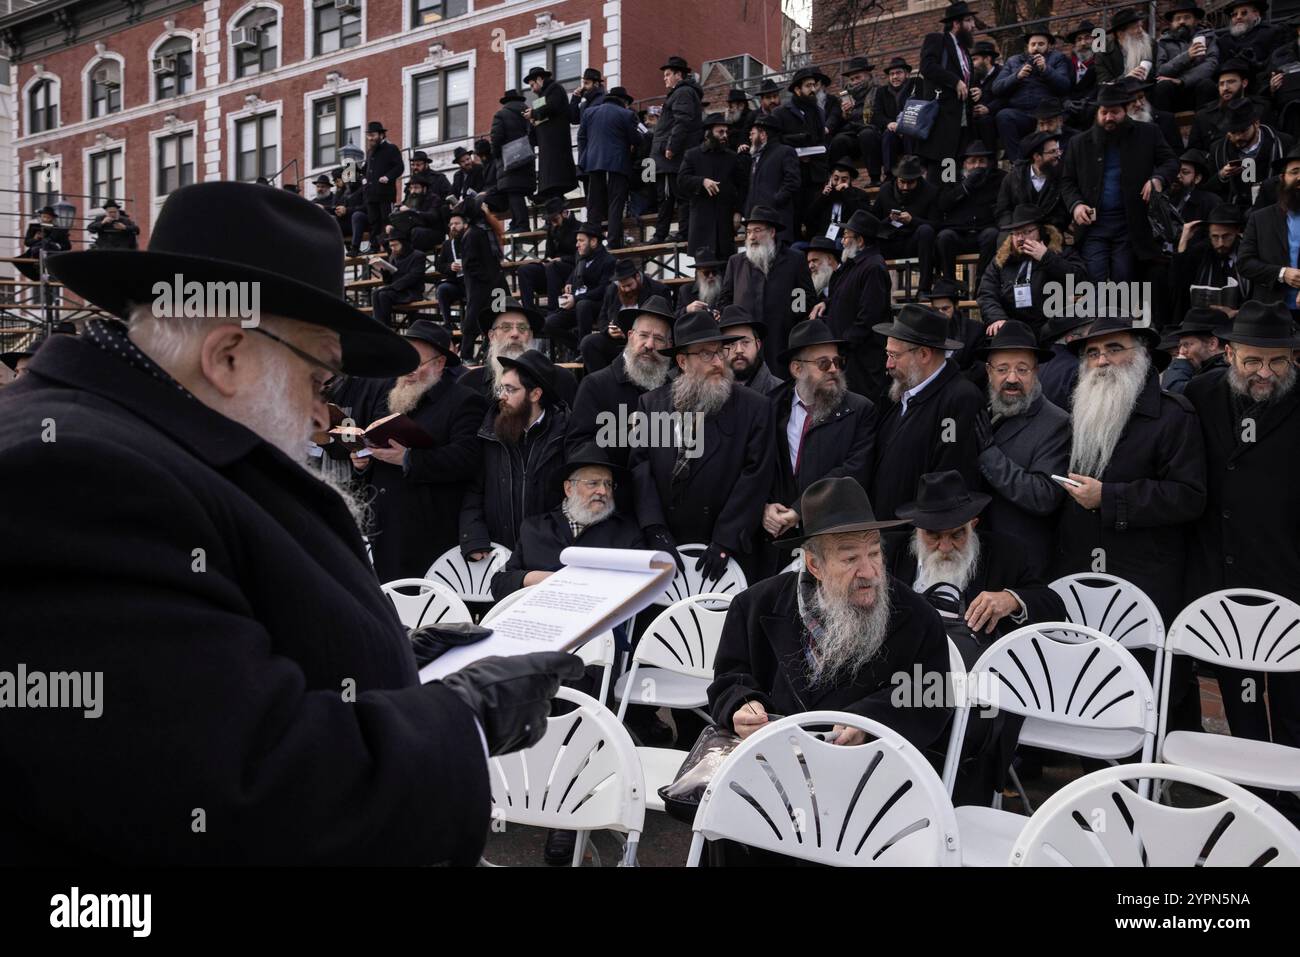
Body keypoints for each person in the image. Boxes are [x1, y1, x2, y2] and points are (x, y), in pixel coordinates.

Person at [0, 181, 579, 865]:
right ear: (229, 356)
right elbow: (234, 785)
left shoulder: (151, 441)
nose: (323, 415)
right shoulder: (75, 474)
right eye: (319, 379)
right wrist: (466, 719)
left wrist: (389, 653)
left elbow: (219, 640)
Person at [708, 476, 949, 754]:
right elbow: (730, 680)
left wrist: (869, 721)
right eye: (850, 559)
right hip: (772, 763)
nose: (869, 572)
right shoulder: (753, 606)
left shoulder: (919, 618)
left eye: (874, 553)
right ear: (814, 565)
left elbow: (934, 695)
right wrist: (743, 704)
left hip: (869, 771)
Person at [1053, 315, 1207, 724]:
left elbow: (1188, 497)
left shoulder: (1175, 415)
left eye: (1114, 349)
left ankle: (1154, 781)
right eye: (1092, 353)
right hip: (1084, 574)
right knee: (1094, 691)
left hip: (1148, 579)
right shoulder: (1079, 409)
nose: (1102, 360)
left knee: (1150, 698)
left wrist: (1110, 497)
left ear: (1140, 355)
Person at [1184, 300, 1300, 747]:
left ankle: (1289, 806)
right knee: (1241, 704)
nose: (1265, 372)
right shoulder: (1201, 393)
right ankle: (1251, 794)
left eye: (1277, 360)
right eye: (1252, 360)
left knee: (1293, 702)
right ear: (1229, 354)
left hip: (1287, 575)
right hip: (1223, 577)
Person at [631, 311, 775, 582]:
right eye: (707, 354)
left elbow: (755, 477)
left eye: (721, 352)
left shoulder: (755, 407)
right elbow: (642, 469)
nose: (719, 362)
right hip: (667, 547)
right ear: (683, 361)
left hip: (726, 552)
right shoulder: (651, 405)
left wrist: (725, 541)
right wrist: (655, 529)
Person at [348, 320, 486, 582]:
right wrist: (362, 462)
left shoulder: (464, 401)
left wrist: (408, 458)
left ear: (439, 364)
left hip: (430, 530)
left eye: (416, 363)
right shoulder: (392, 398)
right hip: (385, 527)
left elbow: (467, 458)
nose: (408, 371)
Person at [890, 470, 1066, 641]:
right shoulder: (889, 553)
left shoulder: (1006, 553)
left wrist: (1012, 600)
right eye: (933, 536)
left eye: (956, 535)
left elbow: (1054, 607)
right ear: (917, 529)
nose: (945, 547)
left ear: (972, 525)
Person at [762, 321, 876, 566]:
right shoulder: (769, 406)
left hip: (832, 537)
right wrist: (765, 507)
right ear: (796, 369)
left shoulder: (860, 410)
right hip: (773, 540)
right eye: (823, 363)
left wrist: (799, 510)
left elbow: (854, 470)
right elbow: (756, 465)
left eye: (838, 362)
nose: (833, 369)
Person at [869, 304, 984, 519]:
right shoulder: (899, 392)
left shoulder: (959, 399)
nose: (888, 364)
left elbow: (950, 478)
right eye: (887, 354)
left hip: (921, 536)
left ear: (923, 354)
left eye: (895, 355)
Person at [972, 321, 1070, 570]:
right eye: (1003, 369)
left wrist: (989, 456)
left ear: (1036, 372)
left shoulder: (1057, 423)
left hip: (1023, 562)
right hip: (980, 554)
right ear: (988, 371)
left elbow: (1044, 496)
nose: (1012, 379)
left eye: (1022, 370)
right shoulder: (984, 410)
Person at [491, 444, 643, 601]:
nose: (603, 491)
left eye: (608, 484)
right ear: (569, 488)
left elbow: (642, 587)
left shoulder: (627, 532)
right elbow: (499, 585)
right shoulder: (534, 529)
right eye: (593, 483)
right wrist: (530, 578)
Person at [1061, 82, 1178, 282]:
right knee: (1095, 275)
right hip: (1094, 226)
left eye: (1114, 112)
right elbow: (1067, 182)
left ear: (1125, 111)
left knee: (1122, 275)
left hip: (1130, 223)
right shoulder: (1079, 143)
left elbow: (1171, 161)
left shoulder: (1148, 133)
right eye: (1104, 112)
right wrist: (1076, 205)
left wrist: (1158, 179)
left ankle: (1119, 313)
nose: (1108, 118)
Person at [460, 349, 570, 557]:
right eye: (502, 388)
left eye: (510, 390)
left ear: (535, 394)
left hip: (550, 553)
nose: (502, 396)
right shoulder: (490, 430)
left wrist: (548, 541)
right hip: (496, 552)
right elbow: (474, 489)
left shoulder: (565, 433)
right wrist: (473, 536)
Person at [565, 296, 675, 470]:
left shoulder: (674, 391)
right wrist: (633, 434)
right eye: (643, 335)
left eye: (659, 339)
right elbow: (577, 449)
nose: (649, 345)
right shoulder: (595, 385)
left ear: (669, 345)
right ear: (631, 337)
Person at [718, 206, 815, 376]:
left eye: (757, 230)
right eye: (748, 232)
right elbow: (725, 299)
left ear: (772, 232)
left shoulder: (794, 259)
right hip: (745, 344)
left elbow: (804, 296)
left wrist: (790, 317)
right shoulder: (736, 262)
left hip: (781, 339)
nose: (752, 237)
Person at [814, 209, 892, 399]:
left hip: (862, 361)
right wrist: (827, 303)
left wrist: (842, 346)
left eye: (847, 236)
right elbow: (845, 295)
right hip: (847, 356)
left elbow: (868, 317)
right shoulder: (854, 265)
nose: (842, 241)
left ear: (861, 241)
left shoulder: (873, 267)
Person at [978, 203, 1087, 338]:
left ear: (1042, 231)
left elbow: (1080, 281)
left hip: (1053, 329)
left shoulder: (1061, 253)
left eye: (1026, 232)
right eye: (1015, 234)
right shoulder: (1002, 260)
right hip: (1014, 329)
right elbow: (986, 293)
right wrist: (997, 318)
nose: (1020, 238)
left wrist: (1046, 257)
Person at [457, 299, 578, 407]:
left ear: (530, 336)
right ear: (492, 336)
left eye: (522, 328)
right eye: (505, 327)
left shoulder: (561, 380)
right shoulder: (469, 384)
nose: (515, 334)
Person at [916, 2, 978, 183]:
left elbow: (967, 78)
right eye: (969, 21)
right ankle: (939, 202)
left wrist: (974, 90)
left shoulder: (964, 51)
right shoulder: (937, 39)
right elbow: (927, 67)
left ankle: (950, 197)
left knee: (954, 164)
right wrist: (955, 81)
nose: (973, 26)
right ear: (956, 24)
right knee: (941, 166)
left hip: (961, 116)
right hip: (942, 115)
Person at [992, 24, 1073, 163]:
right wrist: (1016, 76)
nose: (1036, 48)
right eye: (1033, 44)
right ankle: (1018, 163)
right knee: (1004, 116)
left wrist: (1046, 70)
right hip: (1021, 113)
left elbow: (1065, 86)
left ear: (1049, 46)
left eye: (1041, 44)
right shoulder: (1014, 61)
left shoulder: (1057, 58)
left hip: (1047, 113)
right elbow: (997, 88)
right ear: (1027, 46)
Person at [580, 259, 673, 374]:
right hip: (617, 341)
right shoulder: (612, 290)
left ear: (637, 277)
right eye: (622, 286)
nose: (626, 289)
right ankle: (602, 382)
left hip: (645, 340)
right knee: (589, 342)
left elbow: (665, 322)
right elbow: (602, 317)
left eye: (629, 285)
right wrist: (609, 331)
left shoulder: (658, 290)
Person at [651, 55, 704, 243]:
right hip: (671, 157)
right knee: (670, 196)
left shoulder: (682, 93)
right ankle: (666, 233)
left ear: (678, 75)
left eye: (667, 74)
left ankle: (674, 233)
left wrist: (671, 146)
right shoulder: (682, 93)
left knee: (672, 196)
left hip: (671, 158)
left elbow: (682, 121)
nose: (664, 78)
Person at [678, 113, 746, 261]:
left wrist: (738, 211)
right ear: (708, 134)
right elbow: (682, 180)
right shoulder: (692, 155)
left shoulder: (732, 157)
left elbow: (742, 187)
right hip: (702, 224)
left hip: (725, 223)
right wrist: (702, 181)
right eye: (720, 132)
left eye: (726, 132)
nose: (724, 135)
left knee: (727, 273)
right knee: (704, 272)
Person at [578, 85, 639, 249]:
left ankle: (593, 243)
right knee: (615, 204)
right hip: (618, 164)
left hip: (594, 163)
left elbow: (581, 137)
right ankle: (612, 242)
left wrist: (584, 160)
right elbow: (637, 139)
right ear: (623, 102)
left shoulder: (589, 112)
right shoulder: (627, 114)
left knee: (594, 204)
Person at [1239, 144, 1300, 304]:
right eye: (1295, 172)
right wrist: (1281, 273)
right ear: (1282, 178)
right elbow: (1245, 263)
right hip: (1271, 313)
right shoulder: (1260, 219)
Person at [775, 66, 832, 238]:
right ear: (797, 89)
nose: (813, 89)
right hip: (794, 176)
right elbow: (778, 143)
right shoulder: (781, 113)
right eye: (808, 86)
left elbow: (822, 142)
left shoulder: (819, 112)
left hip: (815, 175)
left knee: (816, 221)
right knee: (794, 222)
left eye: (814, 85)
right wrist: (798, 150)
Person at [542, 223, 615, 354]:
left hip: (596, 306)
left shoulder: (608, 261)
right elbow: (575, 272)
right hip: (577, 305)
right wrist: (569, 282)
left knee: (583, 305)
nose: (577, 245)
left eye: (581, 241)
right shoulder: (580, 256)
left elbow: (602, 290)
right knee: (548, 324)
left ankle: (584, 350)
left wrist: (575, 299)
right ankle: (579, 346)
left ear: (593, 242)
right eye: (577, 241)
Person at [935, 140, 1002, 282]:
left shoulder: (998, 179)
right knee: (944, 236)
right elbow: (943, 204)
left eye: (981, 161)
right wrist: (965, 187)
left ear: (988, 163)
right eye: (972, 161)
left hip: (984, 232)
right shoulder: (951, 179)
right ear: (965, 164)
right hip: (959, 234)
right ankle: (949, 283)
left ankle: (983, 283)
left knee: (992, 234)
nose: (977, 166)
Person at [1208, 100, 1292, 210]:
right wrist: (1222, 175)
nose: (1238, 137)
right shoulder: (1218, 149)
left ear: (1256, 124)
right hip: (1234, 213)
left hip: (1274, 208)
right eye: (1233, 132)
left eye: (1243, 131)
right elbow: (1208, 187)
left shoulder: (1283, 143)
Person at [1171, 202, 1249, 320]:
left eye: (1226, 236)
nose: (1220, 243)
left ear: (1237, 231)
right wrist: (1184, 239)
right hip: (1204, 321)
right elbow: (1177, 283)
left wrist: (1238, 313)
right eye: (1215, 237)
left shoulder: (1247, 253)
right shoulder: (1201, 252)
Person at [873, 155, 939, 293]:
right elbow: (874, 222)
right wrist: (889, 220)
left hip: (915, 243)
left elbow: (937, 225)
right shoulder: (885, 190)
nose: (905, 187)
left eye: (910, 183)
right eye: (902, 182)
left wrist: (913, 220)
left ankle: (924, 289)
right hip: (890, 242)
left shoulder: (930, 192)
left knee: (926, 231)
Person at [455, 196, 508, 361]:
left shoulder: (485, 230)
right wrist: (487, 279)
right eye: (484, 205)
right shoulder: (472, 234)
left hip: (496, 284)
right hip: (480, 286)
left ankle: (488, 353)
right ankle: (466, 355)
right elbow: (470, 264)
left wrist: (495, 278)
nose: (487, 208)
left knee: (499, 315)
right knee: (473, 320)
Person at [741, 114, 801, 243]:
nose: (750, 137)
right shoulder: (756, 157)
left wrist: (775, 200)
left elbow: (792, 181)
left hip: (776, 221)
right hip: (756, 222)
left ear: (763, 135)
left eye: (753, 134)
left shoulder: (785, 151)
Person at [1152, 0, 1220, 112]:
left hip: (1197, 89)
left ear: (1196, 20)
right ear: (1172, 23)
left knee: (1207, 84)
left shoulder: (1209, 38)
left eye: (1187, 17)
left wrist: (1182, 81)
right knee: (1162, 87)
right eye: (1177, 19)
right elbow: (1160, 71)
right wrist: (1187, 56)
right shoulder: (1163, 43)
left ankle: (1205, 126)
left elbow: (1211, 64)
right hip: (1173, 93)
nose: (1182, 22)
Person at [524, 65, 579, 201]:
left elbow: (552, 107)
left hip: (556, 143)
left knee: (556, 178)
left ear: (539, 79)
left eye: (532, 85)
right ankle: (549, 199)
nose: (531, 89)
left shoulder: (555, 89)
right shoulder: (541, 97)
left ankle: (555, 202)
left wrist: (534, 113)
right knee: (550, 181)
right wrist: (532, 120)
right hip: (547, 144)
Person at [996, 131, 1068, 232]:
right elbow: (1003, 211)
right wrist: (1014, 229)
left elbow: (1063, 213)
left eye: (1058, 150)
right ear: (1037, 156)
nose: (1058, 155)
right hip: (1017, 231)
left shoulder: (1063, 177)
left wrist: (1041, 231)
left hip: (1049, 232)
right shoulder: (1012, 178)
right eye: (1052, 152)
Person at [1187, 59, 1264, 152]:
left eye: (1231, 82)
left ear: (1244, 83)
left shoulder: (1261, 108)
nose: (1225, 88)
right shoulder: (1203, 116)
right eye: (1221, 84)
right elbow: (1194, 152)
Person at [517, 197, 578, 312]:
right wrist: (546, 261)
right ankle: (528, 311)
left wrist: (561, 259)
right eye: (551, 221)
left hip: (571, 271)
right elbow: (549, 254)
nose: (553, 223)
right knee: (524, 270)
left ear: (564, 213)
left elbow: (581, 257)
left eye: (555, 219)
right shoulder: (552, 229)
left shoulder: (578, 227)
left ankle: (553, 310)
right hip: (553, 270)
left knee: (552, 267)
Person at [353, 121, 404, 256]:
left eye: (373, 135)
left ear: (381, 135)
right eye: (368, 135)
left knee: (386, 221)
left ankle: (388, 247)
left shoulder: (391, 148)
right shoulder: (370, 151)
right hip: (371, 194)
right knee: (373, 222)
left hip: (385, 194)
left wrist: (388, 177)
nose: (370, 138)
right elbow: (364, 170)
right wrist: (363, 180)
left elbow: (399, 167)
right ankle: (374, 246)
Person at [862, 57, 916, 186]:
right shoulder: (882, 92)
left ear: (906, 74)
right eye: (892, 74)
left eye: (898, 73)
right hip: (892, 132)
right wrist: (889, 123)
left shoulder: (914, 87)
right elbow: (876, 114)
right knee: (888, 135)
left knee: (910, 134)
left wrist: (903, 125)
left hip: (910, 130)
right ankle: (889, 175)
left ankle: (912, 171)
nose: (894, 77)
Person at [490, 89, 536, 234]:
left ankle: (521, 224)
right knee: (519, 193)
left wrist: (496, 155)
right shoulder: (529, 113)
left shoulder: (501, 114)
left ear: (506, 102)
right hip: (526, 159)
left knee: (514, 194)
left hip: (509, 161)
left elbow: (496, 138)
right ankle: (517, 223)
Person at [719, 304, 783, 396]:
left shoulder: (782, 393)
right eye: (731, 344)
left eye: (745, 342)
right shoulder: (709, 393)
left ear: (758, 345)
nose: (739, 350)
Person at [1160, 307, 1228, 393]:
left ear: (1212, 344)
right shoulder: (1215, 371)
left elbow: (1175, 393)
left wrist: (1179, 365)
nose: (1181, 352)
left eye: (1186, 345)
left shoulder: (1217, 376)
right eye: (1180, 346)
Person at [826, 56, 875, 173]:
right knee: (838, 140)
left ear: (868, 75)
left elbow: (880, 115)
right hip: (852, 135)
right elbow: (838, 123)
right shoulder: (845, 97)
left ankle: (875, 178)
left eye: (858, 77)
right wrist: (845, 114)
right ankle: (835, 178)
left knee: (867, 134)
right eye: (852, 79)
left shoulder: (878, 91)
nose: (855, 82)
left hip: (872, 132)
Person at [921, 279, 983, 370]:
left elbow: (979, 368)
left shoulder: (974, 330)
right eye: (936, 309)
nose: (940, 313)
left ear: (956, 306)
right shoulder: (924, 330)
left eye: (945, 309)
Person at [370, 230, 426, 329]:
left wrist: (390, 287)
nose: (393, 248)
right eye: (391, 246)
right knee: (375, 293)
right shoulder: (393, 257)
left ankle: (386, 328)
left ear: (404, 244)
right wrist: (384, 271)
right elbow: (388, 281)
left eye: (395, 245)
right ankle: (379, 327)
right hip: (396, 291)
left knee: (383, 294)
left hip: (411, 292)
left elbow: (413, 277)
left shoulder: (418, 255)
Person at [806, 159, 871, 243]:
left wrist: (847, 193)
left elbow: (862, 217)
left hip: (846, 239)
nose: (839, 183)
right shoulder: (822, 194)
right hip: (823, 238)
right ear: (830, 178)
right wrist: (822, 198)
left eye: (844, 180)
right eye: (836, 179)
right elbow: (808, 219)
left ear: (850, 180)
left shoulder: (859, 195)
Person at [1216, 0, 1285, 73]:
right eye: (1234, 14)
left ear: (1256, 14)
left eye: (1244, 13)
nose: (1238, 17)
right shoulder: (1224, 41)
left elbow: (1275, 62)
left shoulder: (1270, 33)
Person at [1095, 8, 1158, 86]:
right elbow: (1104, 84)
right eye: (1135, 27)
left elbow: (1158, 71)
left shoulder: (1151, 44)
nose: (1140, 31)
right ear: (1120, 34)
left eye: (1140, 26)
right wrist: (1126, 78)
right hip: (1120, 94)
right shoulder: (1103, 55)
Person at [433, 211, 467, 328]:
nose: (453, 226)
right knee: (442, 289)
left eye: (457, 223)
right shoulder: (447, 244)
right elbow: (439, 265)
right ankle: (448, 323)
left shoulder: (472, 240)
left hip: (472, 282)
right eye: (451, 224)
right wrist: (450, 266)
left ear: (465, 225)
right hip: (456, 283)